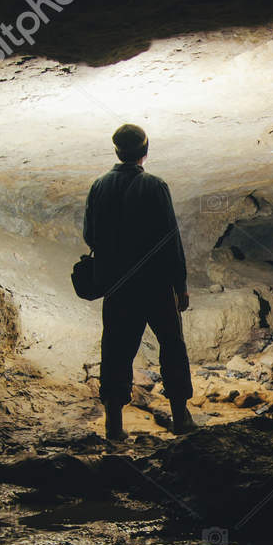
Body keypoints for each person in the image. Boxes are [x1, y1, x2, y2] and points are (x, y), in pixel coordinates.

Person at [83, 123, 195, 440]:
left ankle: (114, 424)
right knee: (172, 346)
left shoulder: (99, 186)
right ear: (145, 151)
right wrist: (180, 284)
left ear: (117, 151)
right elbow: (170, 238)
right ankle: (180, 416)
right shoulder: (155, 186)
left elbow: (89, 235)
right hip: (155, 283)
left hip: (118, 285)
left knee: (115, 350)